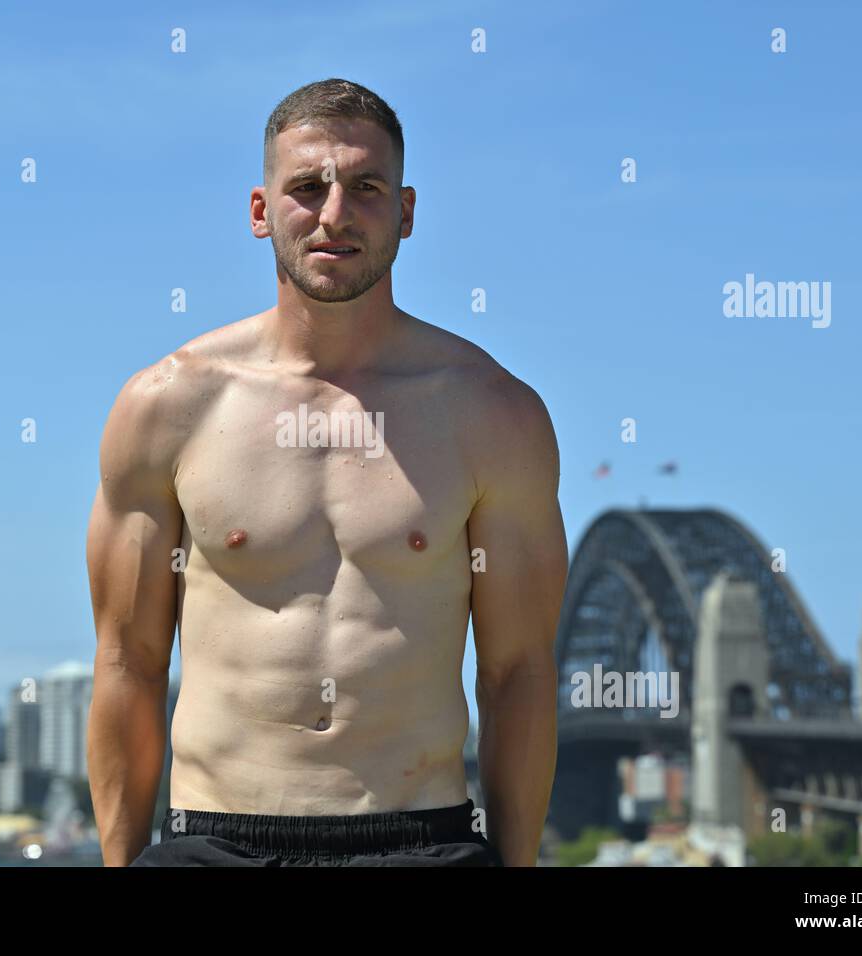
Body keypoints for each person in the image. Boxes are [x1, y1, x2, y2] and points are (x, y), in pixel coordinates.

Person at [85, 78, 568, 866]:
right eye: (307, 187)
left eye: (365, 187)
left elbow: (517, 671)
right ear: (260, 211)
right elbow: (127, 663)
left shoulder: (492, 414)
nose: (335, 213)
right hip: (214, 842)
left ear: (406, 213)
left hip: (422, 841)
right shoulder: (168, 406)